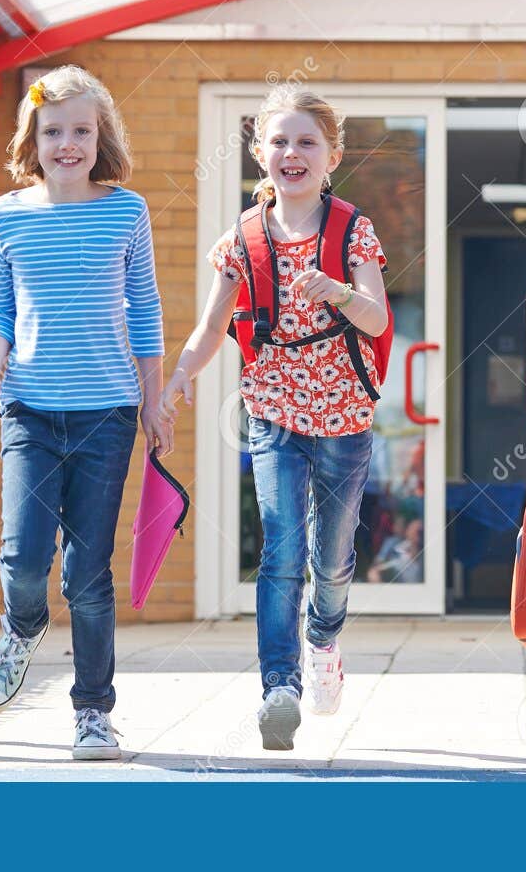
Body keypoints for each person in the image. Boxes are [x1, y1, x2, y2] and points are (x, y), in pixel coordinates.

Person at [163, 85, 389, 750]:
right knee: (282, 549)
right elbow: (211, 327)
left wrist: (340, 290)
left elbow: (375, 317)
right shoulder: (242, 237)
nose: (292, 153)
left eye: (307, 142)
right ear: (260, 152)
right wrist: (180, 373)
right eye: (280, 141)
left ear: (331, 156)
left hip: (345, 413)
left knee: (334, 556)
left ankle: (323, 638)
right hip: (273, 414)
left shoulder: (353, 229)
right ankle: (279, 686)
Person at [0, 65, 169, 761]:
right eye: (54, 130)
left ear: (101, 135)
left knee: (88, 571)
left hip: (106, 414)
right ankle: (22, 629)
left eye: (82, 129)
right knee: (22, 557)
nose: (68, 143)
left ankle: (92, 712)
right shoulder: (6, 215)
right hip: (28, 410)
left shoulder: (126, 211)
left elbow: (145, 309)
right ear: (34, 138)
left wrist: (155, 399)